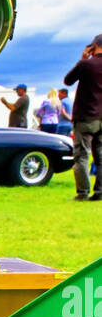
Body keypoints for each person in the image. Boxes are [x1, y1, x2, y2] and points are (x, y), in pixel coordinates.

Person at [64, 36, 102, 201]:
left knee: (81, 156)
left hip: (85, 117)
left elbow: (68, 81)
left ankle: (83, 192)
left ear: (93, 46)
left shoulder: (86, 64)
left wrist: (82, 59)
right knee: (100, 156)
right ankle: (100, 192)